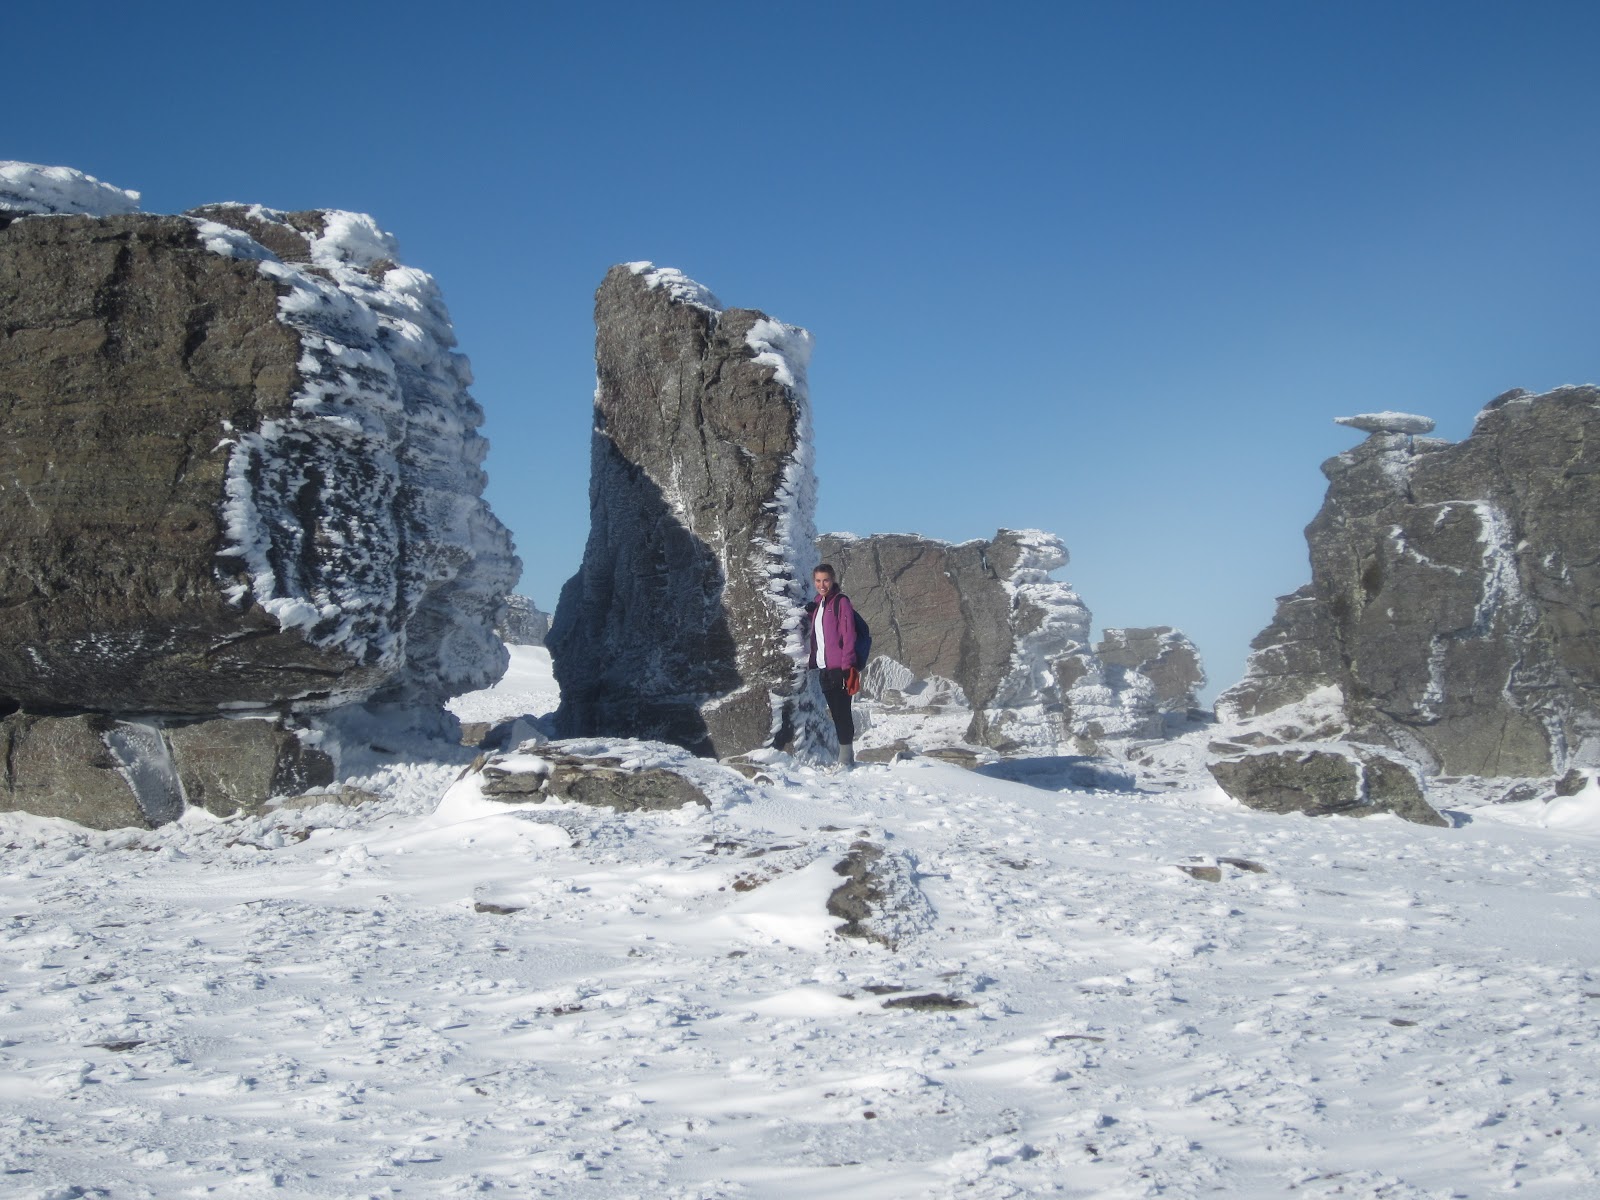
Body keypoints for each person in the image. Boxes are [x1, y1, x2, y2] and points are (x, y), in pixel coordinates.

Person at [805, 563, 859, 769]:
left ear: (833, 579)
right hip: (823, 668)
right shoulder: (819, 603)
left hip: (839, 668)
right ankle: (845, 758)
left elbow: (848, 634)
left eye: (825, 580)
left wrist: (846, 667)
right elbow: (821, 631)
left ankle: (846, 760)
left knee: (842, 712)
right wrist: (811, 612)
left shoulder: (841, 602)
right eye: (818, 581)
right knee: (835, 712)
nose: (822, 584)